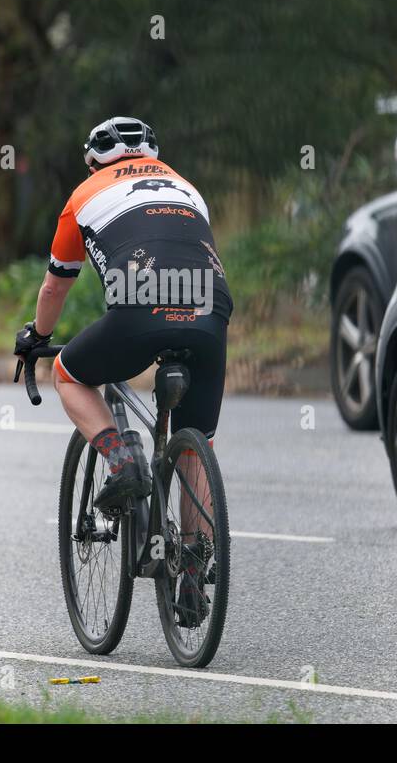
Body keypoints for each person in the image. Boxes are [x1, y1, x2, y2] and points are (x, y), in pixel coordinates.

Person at [14, 116, 233, 515]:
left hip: (140, 305)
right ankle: (193, 567)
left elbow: (54, 287)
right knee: (195, 445)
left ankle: (123, 460)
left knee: (67, 373)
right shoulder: (188, 189)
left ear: (94, 162)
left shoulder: (84, 195)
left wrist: (38, 337)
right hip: (210, 305)